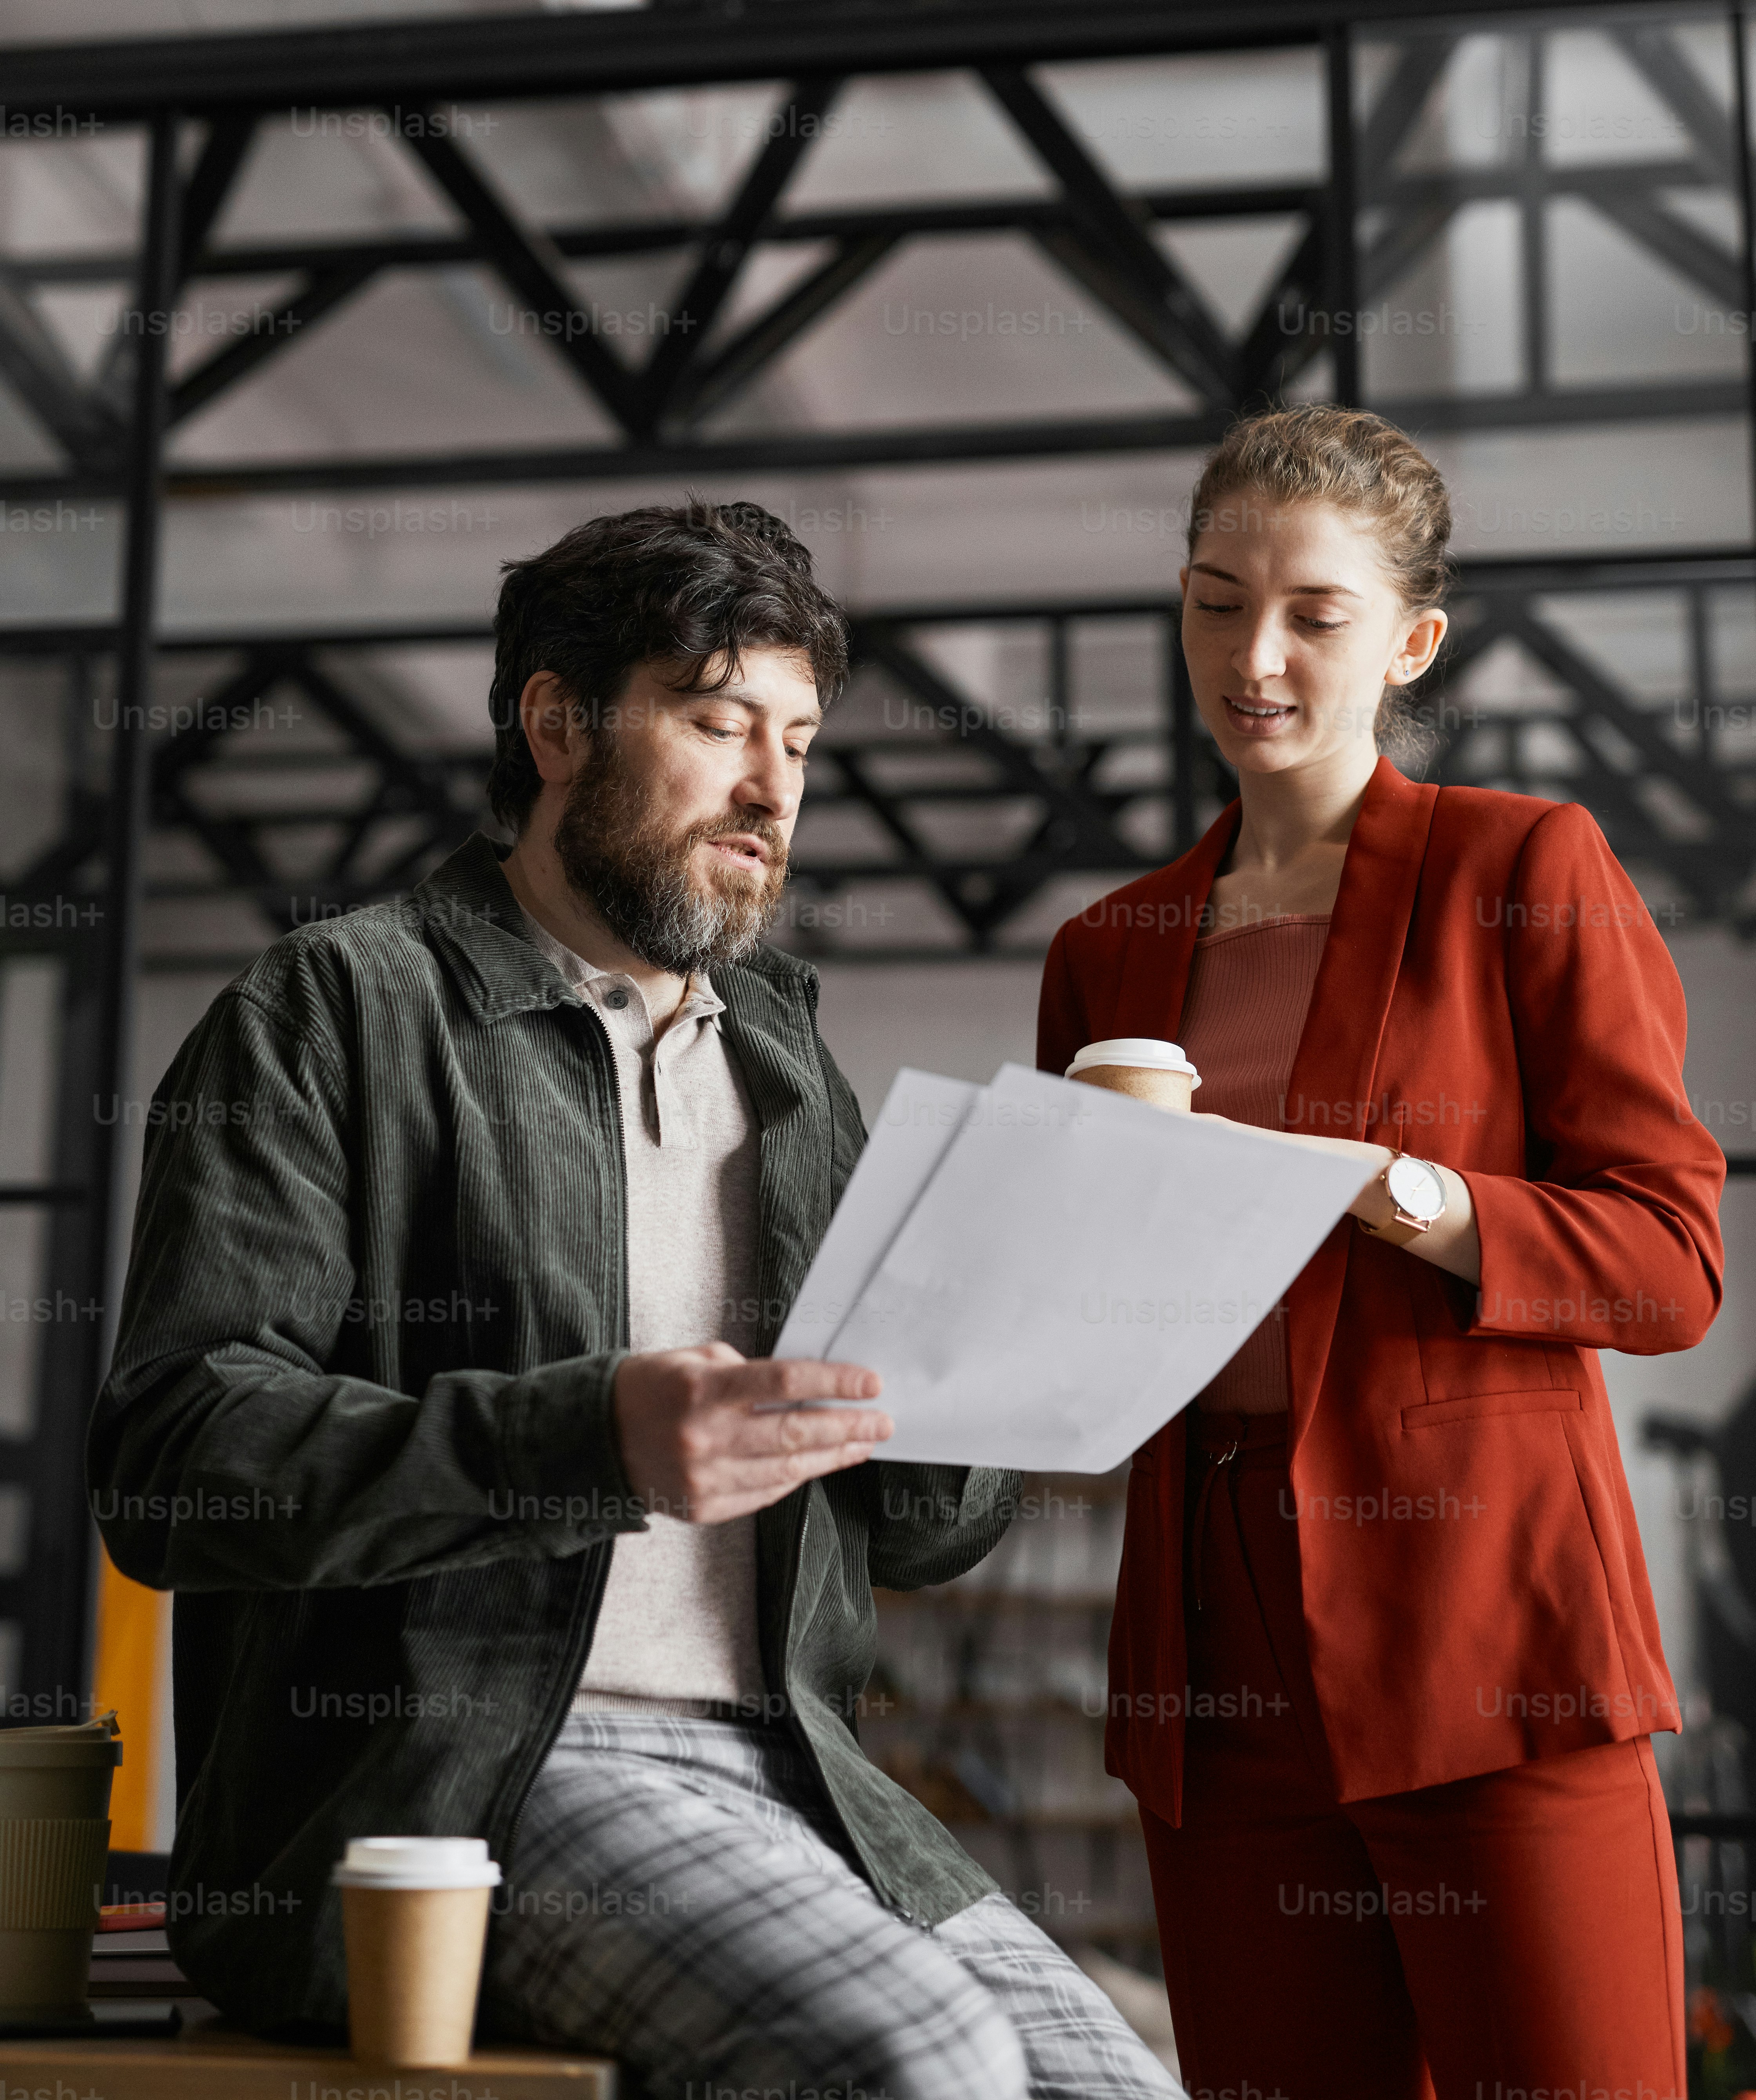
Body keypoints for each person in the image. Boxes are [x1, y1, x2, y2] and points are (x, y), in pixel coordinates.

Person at [91, 500, 1181, 2100]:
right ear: (556, 722)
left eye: (799, 742)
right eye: (716, 718)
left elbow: (930, 1530)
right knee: (921, 2061)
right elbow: (174, 1460)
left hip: (799, 1766)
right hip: (465, 1772)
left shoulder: (789, 1070)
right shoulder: (338, 1007)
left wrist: (1024, 1322)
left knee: (1126, 2088)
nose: (771, 789)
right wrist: (583, 1438)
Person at [1037, 407, 1723, 2100]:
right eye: (1211, 602)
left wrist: (1387, 1190)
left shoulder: (1523, 867)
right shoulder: (1106, 947)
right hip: (1215, 1651)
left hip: (1487, 1626)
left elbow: (1668, 1257)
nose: (1250, 656)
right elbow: (1081, 1316)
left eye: (1310, 614)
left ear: (1411, 638)